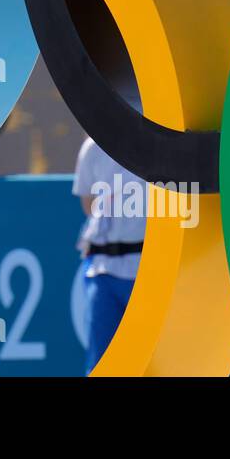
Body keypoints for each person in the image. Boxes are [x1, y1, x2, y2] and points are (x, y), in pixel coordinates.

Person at [72, 135, 146, 374]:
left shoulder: (155, 140)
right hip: (103, 270)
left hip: (147, 273)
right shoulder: (92, 147)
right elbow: (88, 203)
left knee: (149, 358)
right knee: (102, 363)